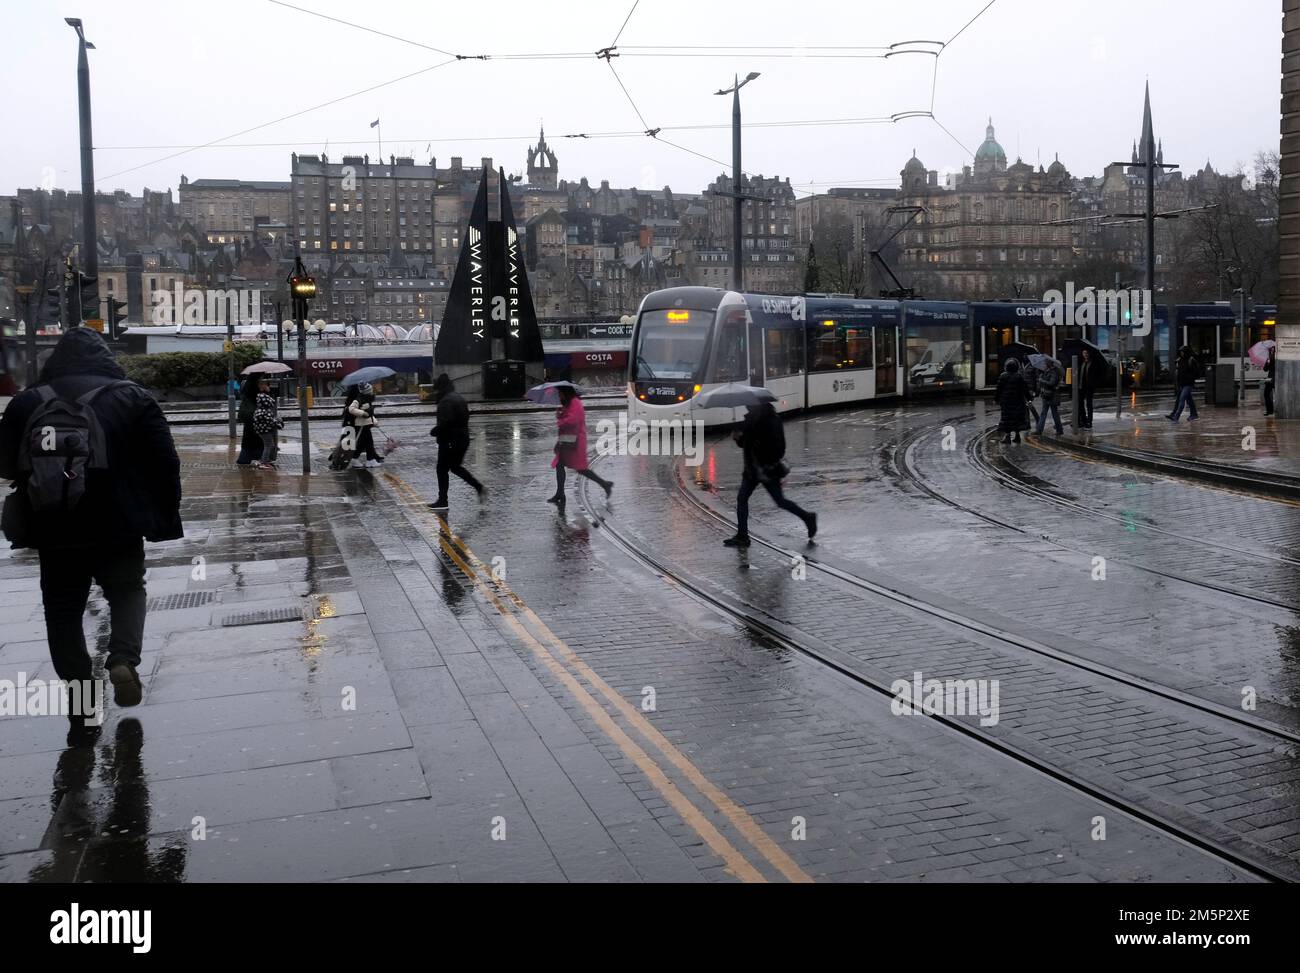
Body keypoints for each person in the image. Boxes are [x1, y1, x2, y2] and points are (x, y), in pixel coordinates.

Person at [0, 328, 183, 718]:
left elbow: (4, 464)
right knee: (127, 589)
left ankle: (82, 697)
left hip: (53, 525)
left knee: (62, 609)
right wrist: (164, 515)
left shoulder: (28, 402)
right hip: (118, 522)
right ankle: (122, 659)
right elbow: (165, 463)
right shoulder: (132, 397)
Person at [723, 399, 816, 548]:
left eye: (750, 404)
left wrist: (759, 446)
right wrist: (738, 437)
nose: (747, 406)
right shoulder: (751, 419)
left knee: (780, 501)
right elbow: (745, 443)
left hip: (767, 470)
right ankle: (742, 536)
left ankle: (808, 517)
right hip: (752, 470)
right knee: (742, 498)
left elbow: (779, 448)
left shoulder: (771, 421)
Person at [427, 373, 484, 510]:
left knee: (442, 469)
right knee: (455, 467)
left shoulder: (446, 401)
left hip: (450, 440)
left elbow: (447, 422)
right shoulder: (458, 397)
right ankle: (478, 487)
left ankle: (443, 500)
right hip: (461, 439)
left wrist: (435, 431)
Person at [548, 385, 612, 507]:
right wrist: (560, 414)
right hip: (567, 440)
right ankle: (560, 493)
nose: (559, 395)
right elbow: (567, 420)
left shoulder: (575, 403)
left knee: (581, 469)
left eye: (560, 393)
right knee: (560, 465)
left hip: (575, 441)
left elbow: (572, 421)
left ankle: (605, 484)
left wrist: (560, 419)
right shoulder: (568, 403)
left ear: (566, 392)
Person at [344, 382, 382, 469]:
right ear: (367, 391)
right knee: (369, 443)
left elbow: (370, 414)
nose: (372, 392)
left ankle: (356, 458)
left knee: (363, 444)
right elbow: (351, 409)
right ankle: (370, 460)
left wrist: (374, 422)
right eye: (370, 390)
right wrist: (362, 413)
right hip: (361, 425)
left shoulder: (367, 400)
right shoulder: (358, 400)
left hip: (366, 424)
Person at [995, 357, 1031, 444]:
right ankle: (1017, 436)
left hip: (1006, 402)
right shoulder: (1019, 376)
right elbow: (1025, 389)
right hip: (1018, 402)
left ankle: (1007, 437)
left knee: (1007, 419)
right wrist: (1029, 398)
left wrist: (996, 399)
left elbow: (998, 389)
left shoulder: (1003, 376)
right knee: (1017, 419)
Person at [251, 377, 282, 470]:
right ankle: (264, 462)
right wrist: (278, 421)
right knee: (269, 445)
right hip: (265, 430)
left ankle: (265, 460)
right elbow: (270, 420)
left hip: (262, 430)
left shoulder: (260, 409)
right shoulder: (264, 410)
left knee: (269, 445)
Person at [1167, 345, 1201, 422]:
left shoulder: (1191, 360)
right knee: (1188, 400)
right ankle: (1194, 415)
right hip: (1181, 384)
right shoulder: (1179, 360)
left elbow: (1197, 373)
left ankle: (1176, 417)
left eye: (1183, 352)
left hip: (1188, 384)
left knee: (1182, 399)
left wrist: (1190, 378)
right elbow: (1178, 372)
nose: (1182, 353)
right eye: (1181, 352)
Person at [1033, 358, 1065, 436]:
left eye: (1045, 363)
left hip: (1052, 396)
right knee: (1044, 413)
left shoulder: (1054, 372)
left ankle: (1059, 430)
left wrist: (1041, 380)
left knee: (1054, 413)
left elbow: (1052, 383)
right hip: (1045, 395)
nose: (1044, 364)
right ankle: (1039, 430)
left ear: (1049, 364)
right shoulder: (1046, 371)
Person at [235, 376, 261, 465]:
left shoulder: (246, 384)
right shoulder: (253, 385)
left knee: (249, 436)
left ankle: (246, 458)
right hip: (252, 414)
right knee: (255, 436)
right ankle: (253, 457)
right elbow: (257, 398)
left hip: (248, 414)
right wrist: (264, 390)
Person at [1077, 349, 1099, 429]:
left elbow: (1095, 375)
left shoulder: (1093, 363)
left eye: (1087, 353)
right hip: (1081, 386)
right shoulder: (1081, 362)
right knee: (1080, 403)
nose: (1085, 354)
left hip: (1089, 386)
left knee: (1089, 404)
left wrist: (1093, 383)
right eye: (1084, 353)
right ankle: (1083, 420)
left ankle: (1089, 421)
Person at [1264, 346, 1276, 417]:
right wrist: (1267, 362)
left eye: (1273, 350)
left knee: (1266, 394)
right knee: (1266, 394)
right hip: (1271, 379)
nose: (1272, 352)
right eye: (1271, 350)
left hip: (1273, 379)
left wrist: (1269, 361)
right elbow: (1265, 369)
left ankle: (1270, 411)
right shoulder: (1269, 358)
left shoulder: (1273, 358)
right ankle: (1270, 411)